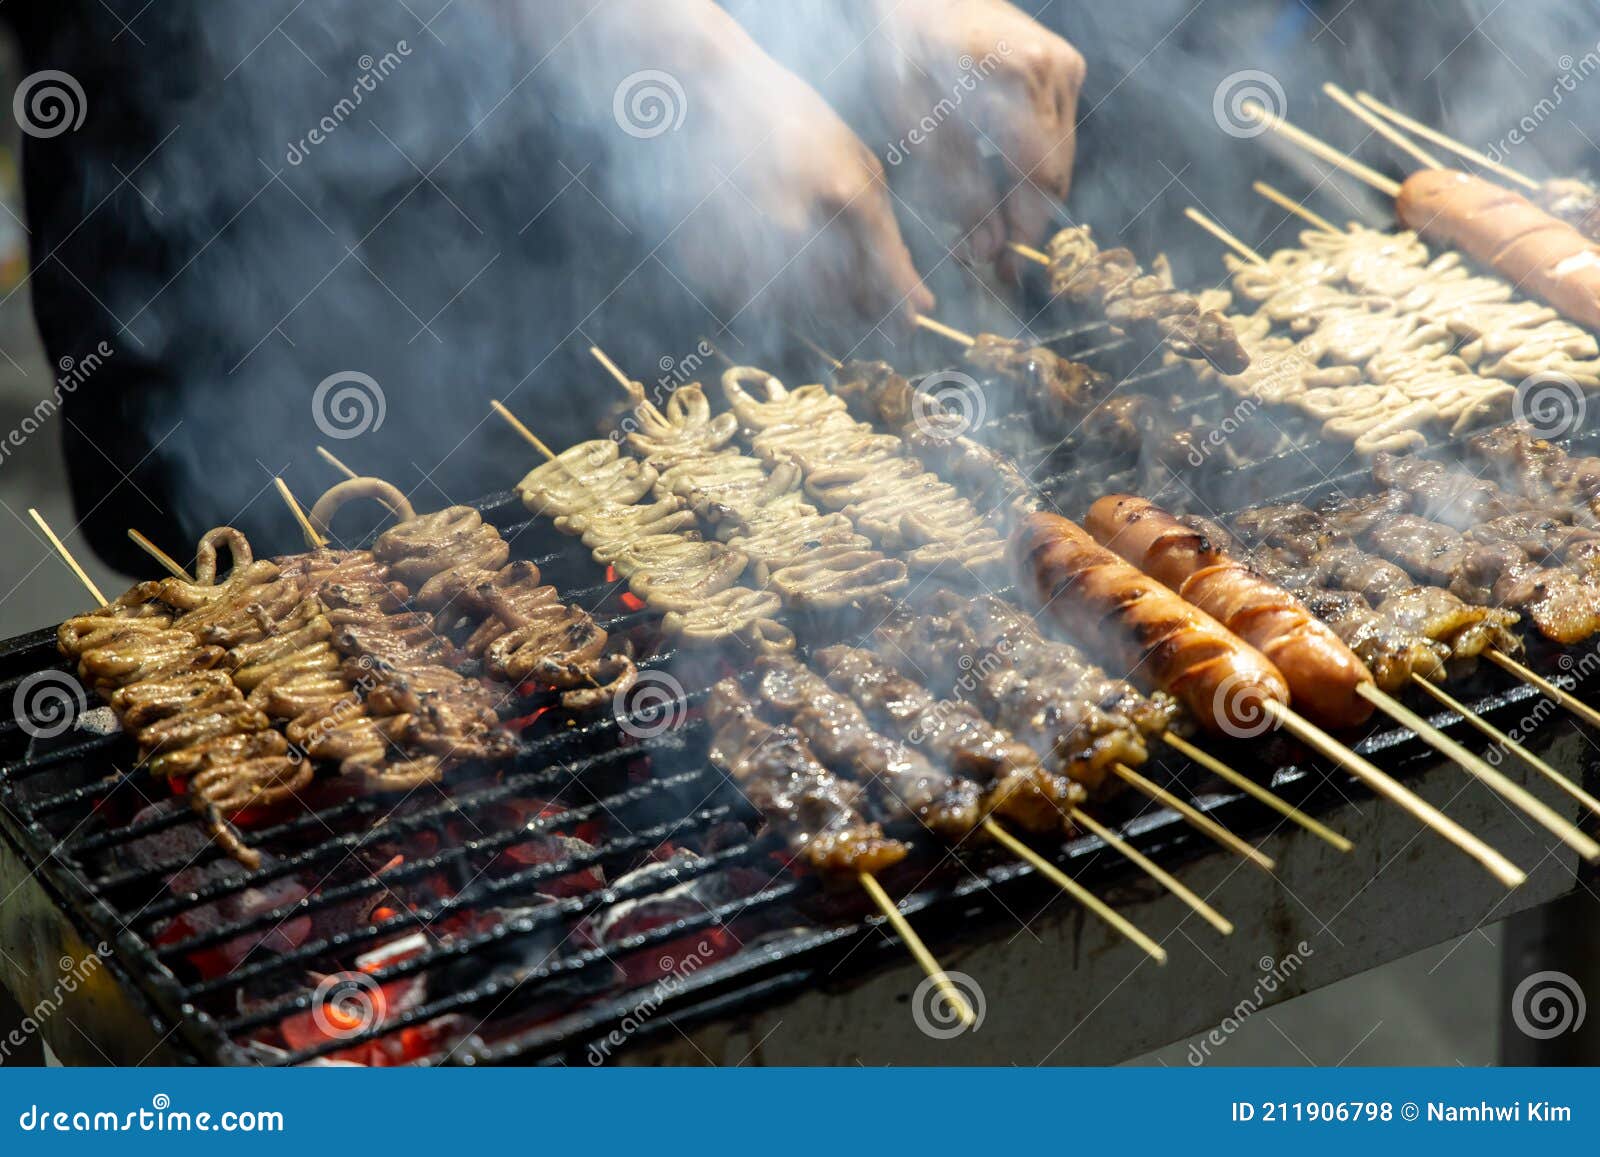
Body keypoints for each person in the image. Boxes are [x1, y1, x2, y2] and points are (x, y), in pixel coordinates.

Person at [5, 0, 1084, 570]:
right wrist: (657, 47)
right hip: (290, 167)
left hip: (631, 213)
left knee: (665, 502)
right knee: (311, 580)